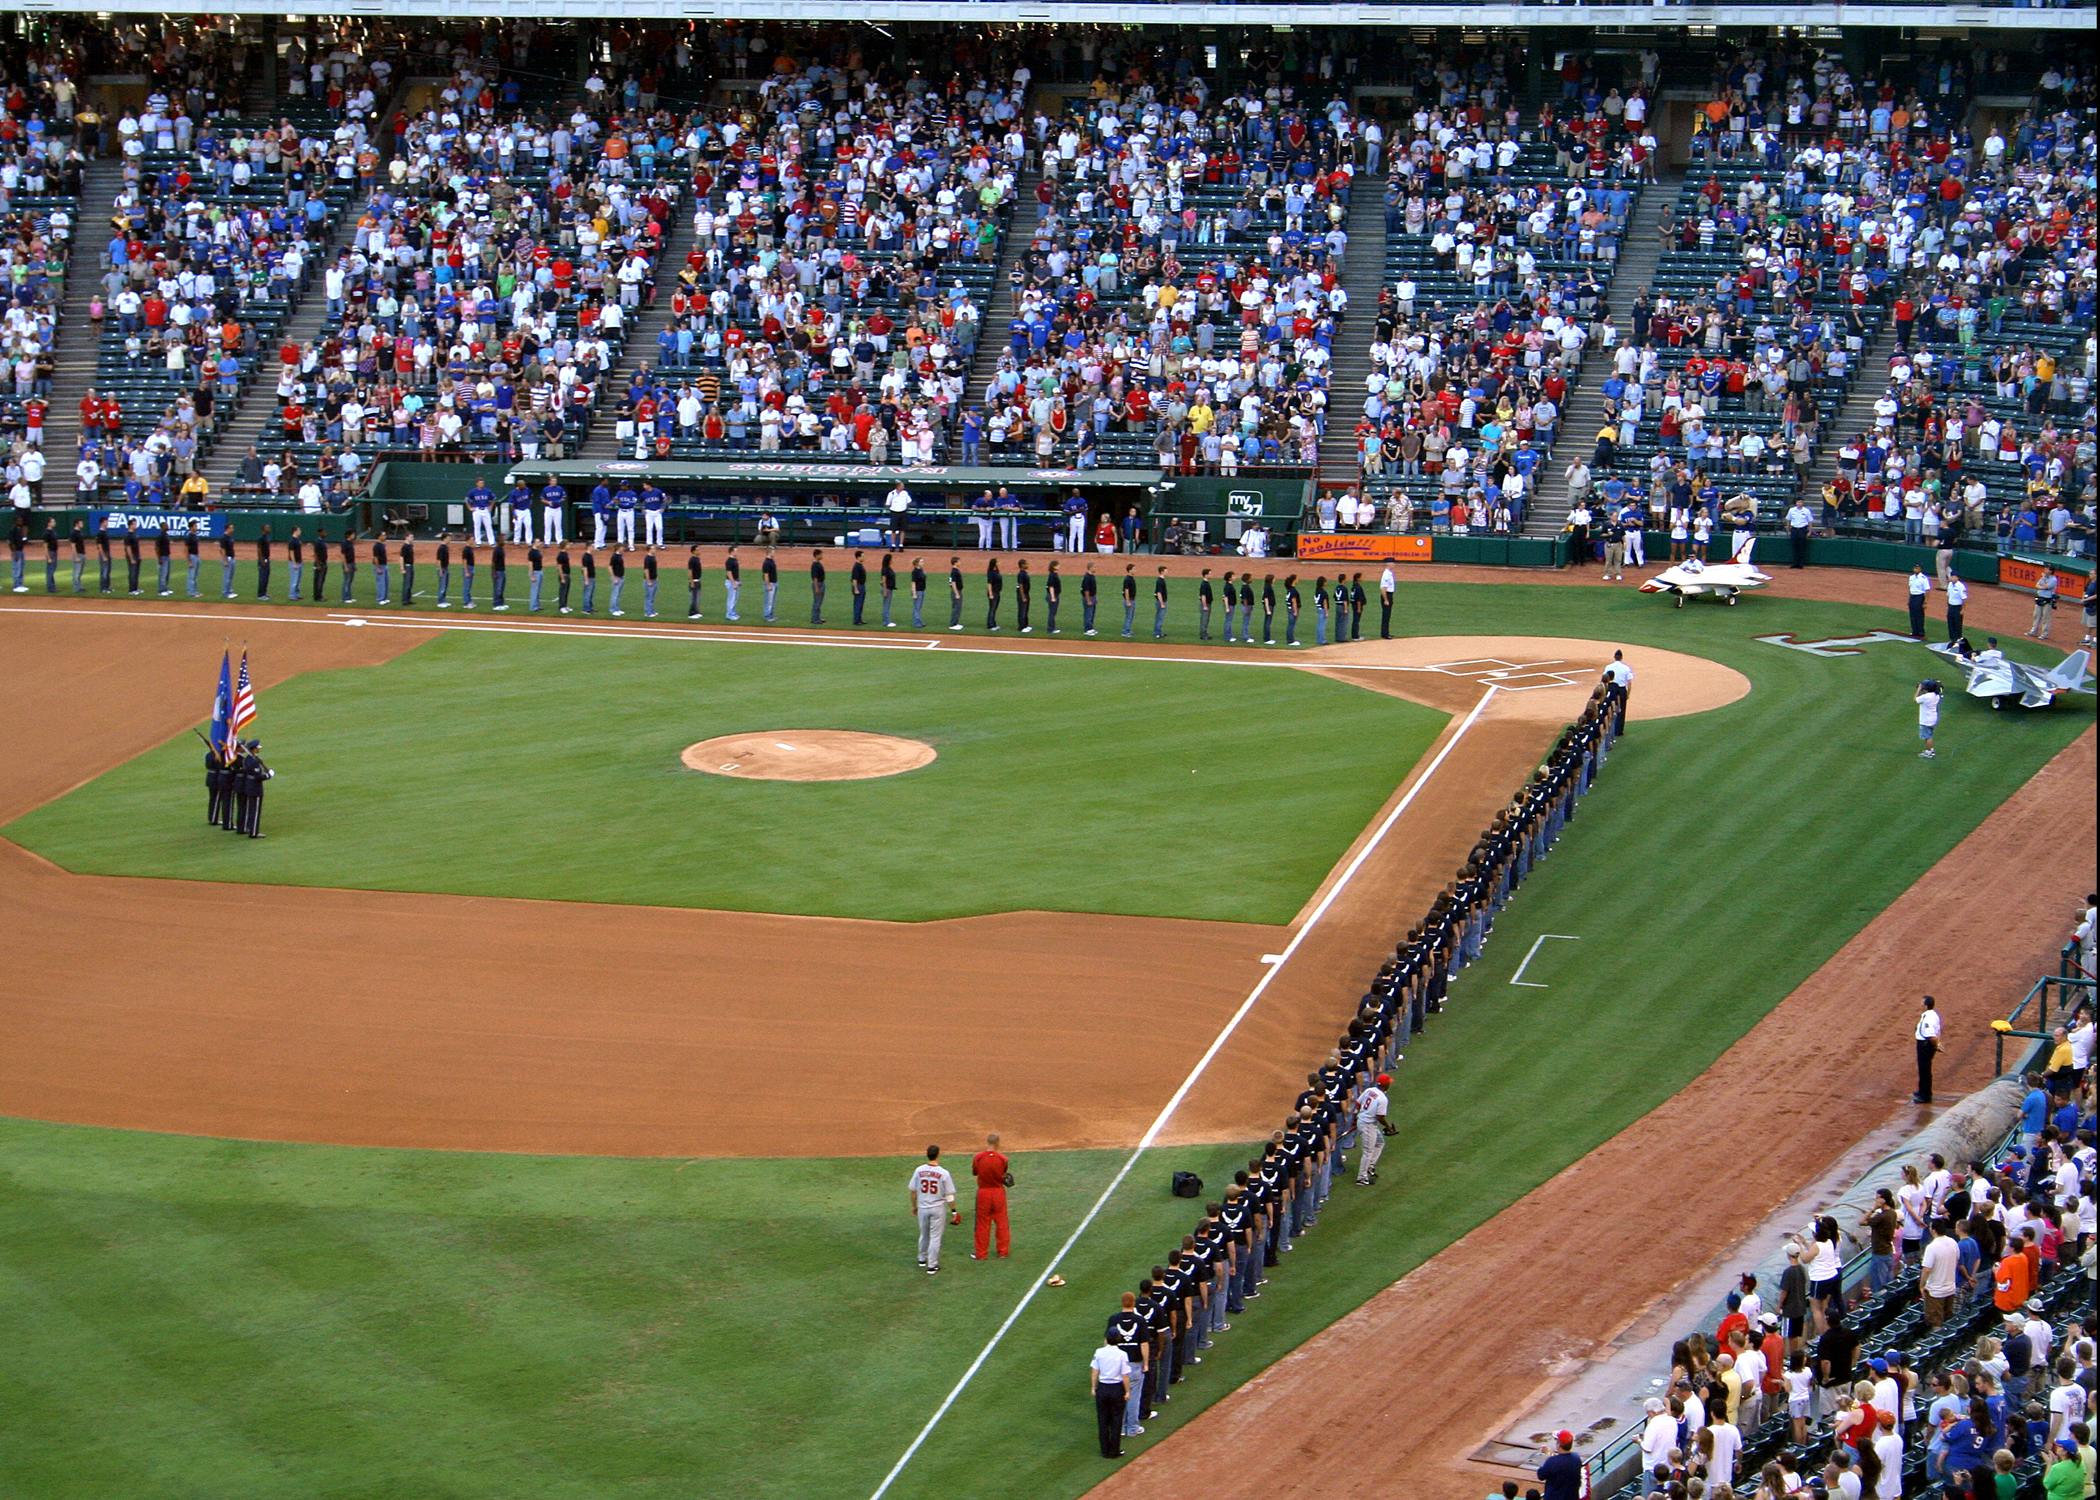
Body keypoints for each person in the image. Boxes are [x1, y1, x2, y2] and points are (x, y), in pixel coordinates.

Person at [910, 1145, 955, 1275]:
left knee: (924, 1234)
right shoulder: (944, 1173)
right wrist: (954, 1211)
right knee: (935, 1237)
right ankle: (932, 1265)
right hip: (937, 1209)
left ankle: (922, 1259)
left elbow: (913, 1191)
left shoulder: (918, 1171)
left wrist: (914, 1206)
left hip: (923, 1207)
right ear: (938, 1155)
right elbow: (949, 1196)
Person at [1090, 1335, 1134, 1459]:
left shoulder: (1099, 1352)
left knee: (1103, 1421)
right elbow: (1125, 1375)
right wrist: (1127, 1392)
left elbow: (1095, 1371)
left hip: (1103, 1388)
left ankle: (1105, 1450)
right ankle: (1114, 1451)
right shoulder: (1122, 1354)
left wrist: (1093, 1387)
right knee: (1116, 1420)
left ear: (1107, 1340)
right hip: (1116, 1389)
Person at [971, 1133, 1011, 1260]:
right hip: (998, 1193)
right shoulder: (1003, 1159)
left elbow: (975, 1172)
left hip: (984, 1193)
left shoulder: (978, 1158)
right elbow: (1003, 1173)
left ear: (987, 1142)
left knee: (983, 1224)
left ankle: (981, 1253)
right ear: (998, 1143)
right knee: (1002, 1222)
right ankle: (1003, 1251)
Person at [1354, 1073, 1390, 1186]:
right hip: (1368, 1125)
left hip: (1365, 1122)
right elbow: (1380, 1116)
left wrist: (1356, 1118)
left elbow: (1358, 1103)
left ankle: (1369, 1166)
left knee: (1380, 1142)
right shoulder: (1383, 1099)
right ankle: (1362, 1178)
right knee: (1368, 1152)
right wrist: (1388, 1126)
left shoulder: (1369, 1090)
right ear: (1386, 1085)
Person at [1537, 1431, 1583, 1500]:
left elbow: (1541, 1475)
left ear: (1559, 1445)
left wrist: (1548, 1458)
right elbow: (1563, 1462)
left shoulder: (1552, 1462)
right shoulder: (1576, 1458)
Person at [1914, 995, 1941, 1102]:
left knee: (1924, 1070)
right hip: (1927, 1045)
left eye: (1922, 1003)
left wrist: (1936, 1045)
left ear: (1926, 1006)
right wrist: (1938, 1043)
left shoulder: (1928, 1018)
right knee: (1924, 1069)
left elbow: (1931, 1035)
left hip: (1925, 1045)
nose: (1921, 1005)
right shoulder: (1934, 1015)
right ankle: (1923, 1091)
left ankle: (1925, 1096)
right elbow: (1938, 1030)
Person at [2028, 565, 2059, 640]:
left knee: (2046, 617)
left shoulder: (2053, 579)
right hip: (2040, 598)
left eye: (2046, 569)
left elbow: (2046, 586)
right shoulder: (2043, 578)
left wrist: (2043, 581)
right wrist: (2042, 586)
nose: (2045, 570)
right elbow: (2036, 585)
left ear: (2051, 571)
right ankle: (2034, 631)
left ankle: (2045, 634)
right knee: (2036, 615)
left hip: (2048, 600)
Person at [1916, 679, 1942, 762]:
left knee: (1928, 737)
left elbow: (1915, 699)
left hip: (1926, 720)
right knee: (1929, 735)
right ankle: (1930, 749)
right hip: (1932, 718)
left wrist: (1919, 689)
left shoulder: (1926, 697)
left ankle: (1929, 752)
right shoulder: (1936, 695)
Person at [1908, 566, 1932, 640]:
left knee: (1919, 615)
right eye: (1915, 568)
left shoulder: (1923, 579)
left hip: (1919, 597)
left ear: (1920, 569)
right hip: (1912, 597)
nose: (1915, 570)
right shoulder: (1911, 577)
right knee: (1912, 614)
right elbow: (1910, 588)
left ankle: (1921, 632)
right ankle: (1914, 631)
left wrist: (1925, 602)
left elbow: (1927, 591)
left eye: (1917, 568)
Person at [1947, 575, 1969, 643]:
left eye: (1954, 577)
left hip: (1957, 607)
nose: (1952, 578)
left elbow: (1964, 599)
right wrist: (1947, 605)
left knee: (1957, 624)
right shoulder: (1950, 584)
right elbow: (1948, 595)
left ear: (1957, 578)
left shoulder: (1961, 586)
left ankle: (1958, 639)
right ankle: (1952, 639)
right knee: (1950, 623)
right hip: (1951, 606)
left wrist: (1963, 609)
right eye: (1951, 577)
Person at [850, 550, 868, 626]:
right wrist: (856, 589)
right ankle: (856, 620)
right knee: (858, 603)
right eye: (862, 556)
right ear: (858, 557)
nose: (864, 557)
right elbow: (854, 579)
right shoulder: (856, 566)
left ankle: (859, 619)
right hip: (859, 586)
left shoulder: (859, 565)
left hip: (861, 586)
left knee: (860, 604)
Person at [722, 547, 741, 621]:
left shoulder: (735, 560)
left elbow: (736, 571)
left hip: (735, 581)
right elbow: (729, 573)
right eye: (736, 551)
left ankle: (733, 612)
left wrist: (739, 580)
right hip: (731, 582)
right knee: (731, 599)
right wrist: (733, 583)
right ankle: (729, 614)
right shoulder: (729, 561)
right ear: (732, 552)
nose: (737, 552)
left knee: (735, 598)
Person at [947, 556, 965, 631]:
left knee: (958, 608)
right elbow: (953, 583)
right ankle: (953, 624)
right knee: (956, 608)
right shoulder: (954, 571)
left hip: (957, 591)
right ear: (955, 562)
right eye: (959, 561)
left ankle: (955, 622)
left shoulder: (955, 571)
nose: (960, 563)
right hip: (956, 591)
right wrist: (956, 593)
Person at [1379, 564, 1397, 637]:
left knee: (1388, 615)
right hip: (1386, 595)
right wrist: (1386, 599)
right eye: (1392, 563)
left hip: (1389, 595)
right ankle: (1385, 634)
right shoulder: (1386, 574)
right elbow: (1383, 588)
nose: (1394, 565)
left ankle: (1386, 632)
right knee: (1386, 615)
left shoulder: (1390, 573)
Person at [761, 550, 778, 622]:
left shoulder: (771, 561)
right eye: (773, 552)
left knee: (772, 601)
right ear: (769, 552)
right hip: (770, 584)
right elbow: (766, 575)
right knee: (769, 601)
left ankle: (770, 615)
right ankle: (767, 616)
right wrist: (768, 585)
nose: (774, 553)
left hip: (774, 583)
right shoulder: (767, 562)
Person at [1152, 566, 1168, 640]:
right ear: (1162, 572)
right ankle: (1157, 633)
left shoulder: (1162, 580)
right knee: (1159, 617)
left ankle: (1159, 631)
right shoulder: (1160, 581)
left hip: (1162, 601)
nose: (1167, 572)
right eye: (1165, 571)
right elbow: (1159, 593)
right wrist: (1162, 603)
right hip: (1161, 602)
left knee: (1160, 618)